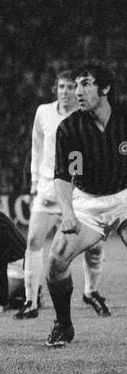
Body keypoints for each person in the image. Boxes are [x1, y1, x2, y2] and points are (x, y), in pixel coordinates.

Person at [42, 62, 127, 347]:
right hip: (88, 203)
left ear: (105, 89)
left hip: (125, 197)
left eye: (86, 83)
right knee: (56, 262)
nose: (78, 91)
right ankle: (63, 325)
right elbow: (63, 177)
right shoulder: (69, 128)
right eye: (77, 84)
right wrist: (67, 214)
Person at [18, 69, 109, 319]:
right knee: (34, 241)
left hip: (78, 192)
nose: (67, 92)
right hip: (49, 187)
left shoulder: (85, 117)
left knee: (95, 246)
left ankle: (91, 291)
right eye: (62, 87)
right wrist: (35, 183)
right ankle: (31, 300)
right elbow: (37, 149)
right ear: (55, 90)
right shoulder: (43, 113)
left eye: (71, 87)